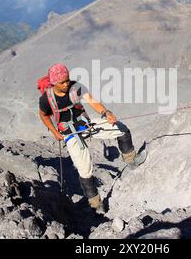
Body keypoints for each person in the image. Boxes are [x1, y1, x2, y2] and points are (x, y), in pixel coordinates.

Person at [38, 63, 141, 213]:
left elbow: (91, 101)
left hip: (84, 125)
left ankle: (131, 159)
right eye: (62, 82)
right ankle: (95, 204)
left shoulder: (76, 87)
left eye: (67, 80)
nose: (67, 84)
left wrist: (106, 113)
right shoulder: (46, 99)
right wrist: (54, 132)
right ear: (54, 83)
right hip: (68, 132)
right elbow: (43, 114)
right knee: (85, 170)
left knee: (121, 129)